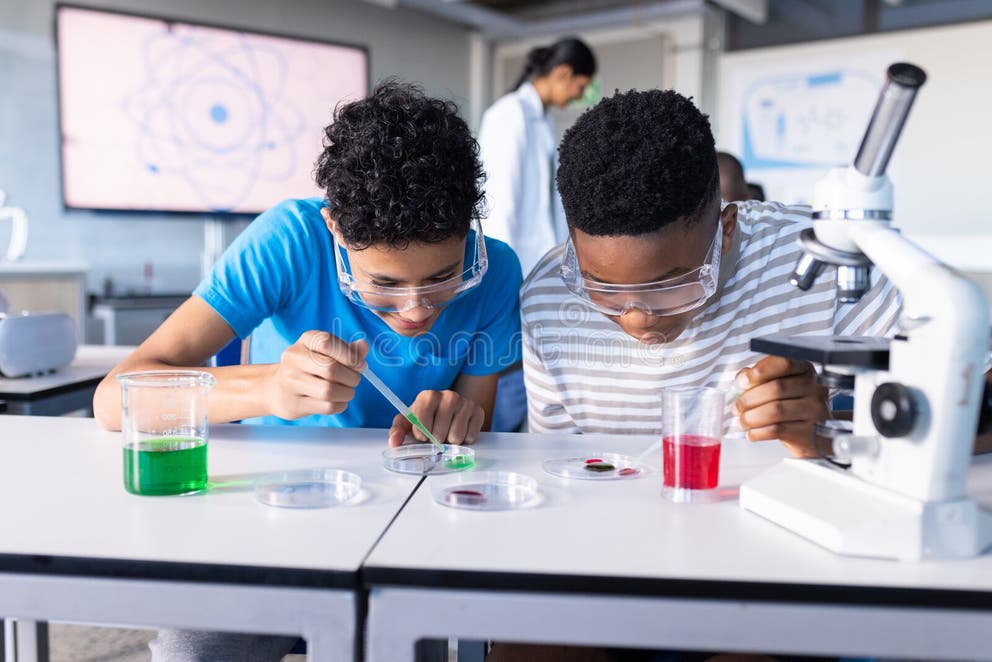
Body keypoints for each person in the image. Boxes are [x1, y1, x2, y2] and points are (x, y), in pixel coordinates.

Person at [94, 80, 522, 661]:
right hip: (269, 513)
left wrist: (458, 417)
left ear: (470, 229)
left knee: (404, 639)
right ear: (336, 231)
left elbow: (476, 427)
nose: (417, 310)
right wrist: (269, 387)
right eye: (384, 285)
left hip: (411, 521)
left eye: (443, 277)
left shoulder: (497, 272)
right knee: (196, 648)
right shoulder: (291, 240)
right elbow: (114, 398)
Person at [522, 87, 904, 462]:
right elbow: (556, 470)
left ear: (727, 229)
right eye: (603, 287)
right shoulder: (548, 299)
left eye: (668, 285)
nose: (637, 319)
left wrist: (825, 435)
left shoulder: (828, 258)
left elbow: (938, 433)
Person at [477, 36, 596, 432]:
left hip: (539, 264)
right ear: (562, 73)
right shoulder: (509, 115)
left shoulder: (541, 120)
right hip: (513, 264)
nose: (579, 95)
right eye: (580, 85)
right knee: (510, 364)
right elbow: (499, 203)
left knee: (534, 367)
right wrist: (502, 275)